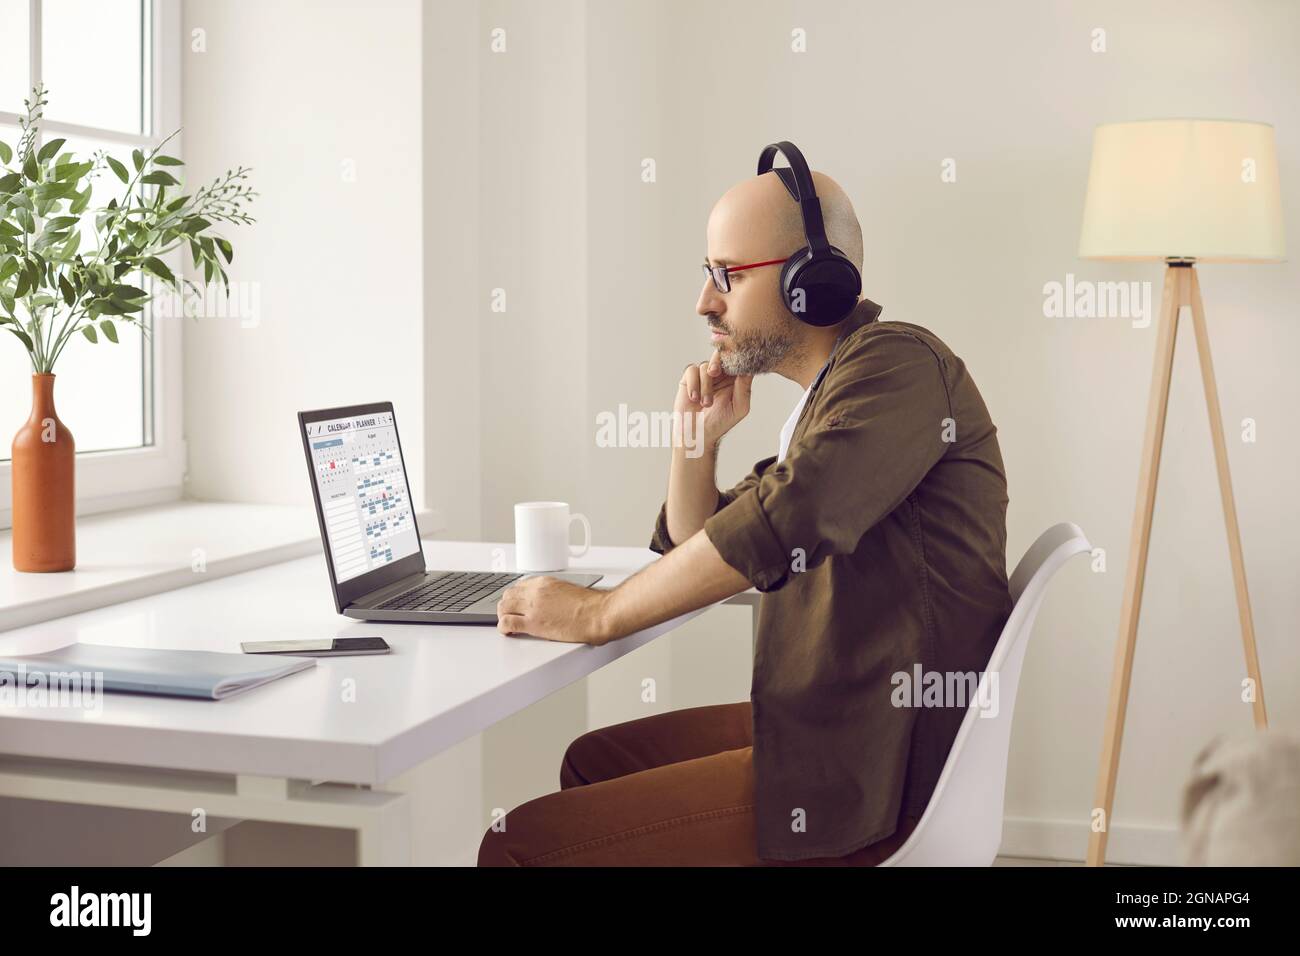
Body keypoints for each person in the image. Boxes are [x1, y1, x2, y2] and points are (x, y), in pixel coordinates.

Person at [478, 148, 1012, 866]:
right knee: (595, 760)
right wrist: (695, 444)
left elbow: (779, 523)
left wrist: (593, 614)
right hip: (843, 723)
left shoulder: (899, 366)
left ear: (810, 282)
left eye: (725, 275)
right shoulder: (837, 401)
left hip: (878, 769)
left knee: (518, 846)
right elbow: (706, 542)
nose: (705, 302)